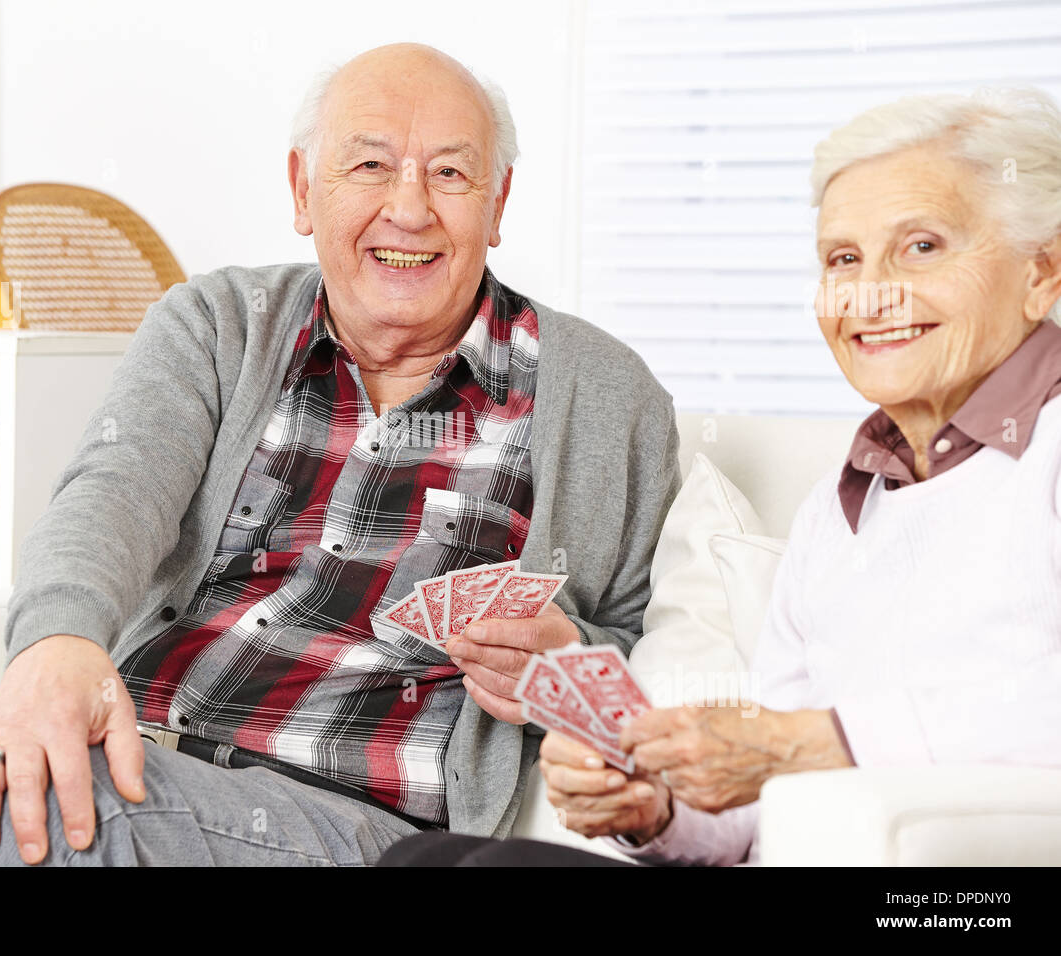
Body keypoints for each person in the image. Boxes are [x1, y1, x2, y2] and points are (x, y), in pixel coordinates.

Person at [0, 43, 679, 867]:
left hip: (342, 820)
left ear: (499, 202)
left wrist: (565, 659)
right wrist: (56, 645)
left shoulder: (604, 396)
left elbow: (640, 651)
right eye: (369, 165)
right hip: (137, 749)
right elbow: (109, 497)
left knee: (79, 821)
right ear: (300, 189)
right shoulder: (217, 325)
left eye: (451, 173)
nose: (410, 207)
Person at [381, 86, 1061, 867]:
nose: (870, 294)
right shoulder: (842, 507)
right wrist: (655, 806)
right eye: (844, 258)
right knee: (421, 862)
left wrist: (813, 742)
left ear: (1041, 272)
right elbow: (761, 803)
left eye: (923, 246)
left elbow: (800, 751)